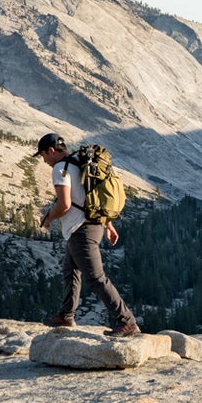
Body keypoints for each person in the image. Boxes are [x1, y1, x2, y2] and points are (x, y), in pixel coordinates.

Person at [34, 132, 140, 336]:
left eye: (43, 155)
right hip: (89, 226)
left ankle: (127, 321)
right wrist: (108, 224)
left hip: (81, 230)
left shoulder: (60, 168)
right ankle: (66, 316)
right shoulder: (77, 162)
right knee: (70, 271)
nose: (44, 161)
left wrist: (48, 217)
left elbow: (64, 204)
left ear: (51, 150)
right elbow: (90, 197)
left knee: (96, 278)